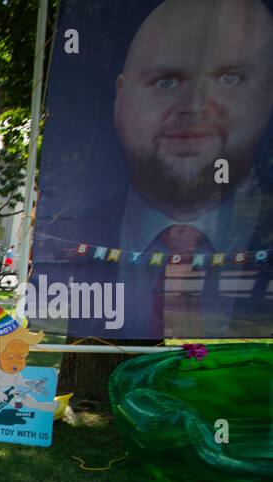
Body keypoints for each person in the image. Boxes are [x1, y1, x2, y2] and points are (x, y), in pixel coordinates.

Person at [36, 0, 273, 339]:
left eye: (230, 78)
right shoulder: (69, 236)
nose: (195, 108)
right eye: (166, 81)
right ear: (120, 99)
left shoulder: (263, 238)